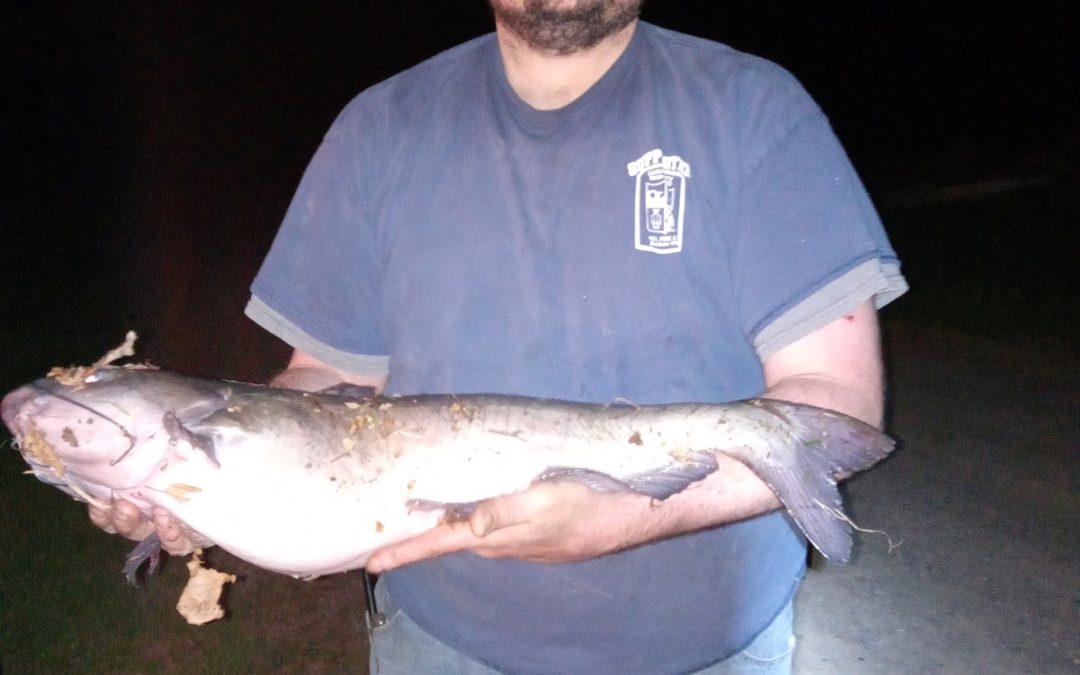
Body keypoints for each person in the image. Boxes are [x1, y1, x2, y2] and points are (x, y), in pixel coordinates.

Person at [91, 2, 907, 672]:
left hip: (708, 648)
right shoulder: (379, 129)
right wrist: (207, 476)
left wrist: (627, 514)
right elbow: (327, 385)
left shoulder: (754, 109)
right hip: (439, 644)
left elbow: (833, 397)